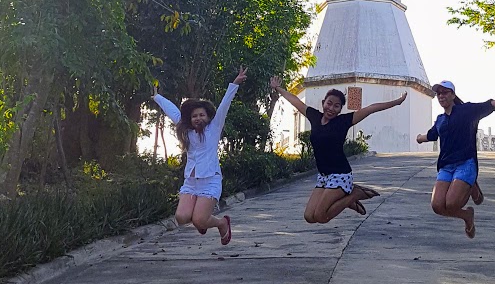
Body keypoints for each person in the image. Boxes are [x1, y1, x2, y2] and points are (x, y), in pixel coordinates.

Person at [271, 77, 406, 224]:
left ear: (340, 109)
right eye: (329, 103)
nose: (331, 108)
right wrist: (278, 88)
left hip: (340, 175)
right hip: (323, 176)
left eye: (336, 106)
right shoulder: (314, 116)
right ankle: (349, 196)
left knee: (321, 217)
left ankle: (353, 195)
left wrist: (396, 102)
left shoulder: (343, 121)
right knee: (309, 217)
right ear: (323, 103)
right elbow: (295, 101)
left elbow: (370, 109)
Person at [417, 78, 495, 238]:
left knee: (451, 203)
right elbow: (430, 135)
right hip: (446, 167)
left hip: (465, 163)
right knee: (437, 206)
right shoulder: (440, 120)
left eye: (445, 92)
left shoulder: (467, 111)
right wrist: (419, 138)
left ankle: (470, 185)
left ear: (453, 95)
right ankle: (467, 216)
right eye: (438, 94)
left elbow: (494, 104)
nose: (441, 96)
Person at [152, 66, 248, 241]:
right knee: (181, 218)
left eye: (201, 115)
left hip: (210, 181)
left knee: (199, 220)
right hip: (191, 181)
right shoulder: (187, 131)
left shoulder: (214, 129)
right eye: (194, 116)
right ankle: (202, 222)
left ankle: (221, 223)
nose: (198, 118)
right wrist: (157, 97)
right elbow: (173, 111)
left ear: (208, 117)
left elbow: (225, 105)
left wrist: (235, 83)